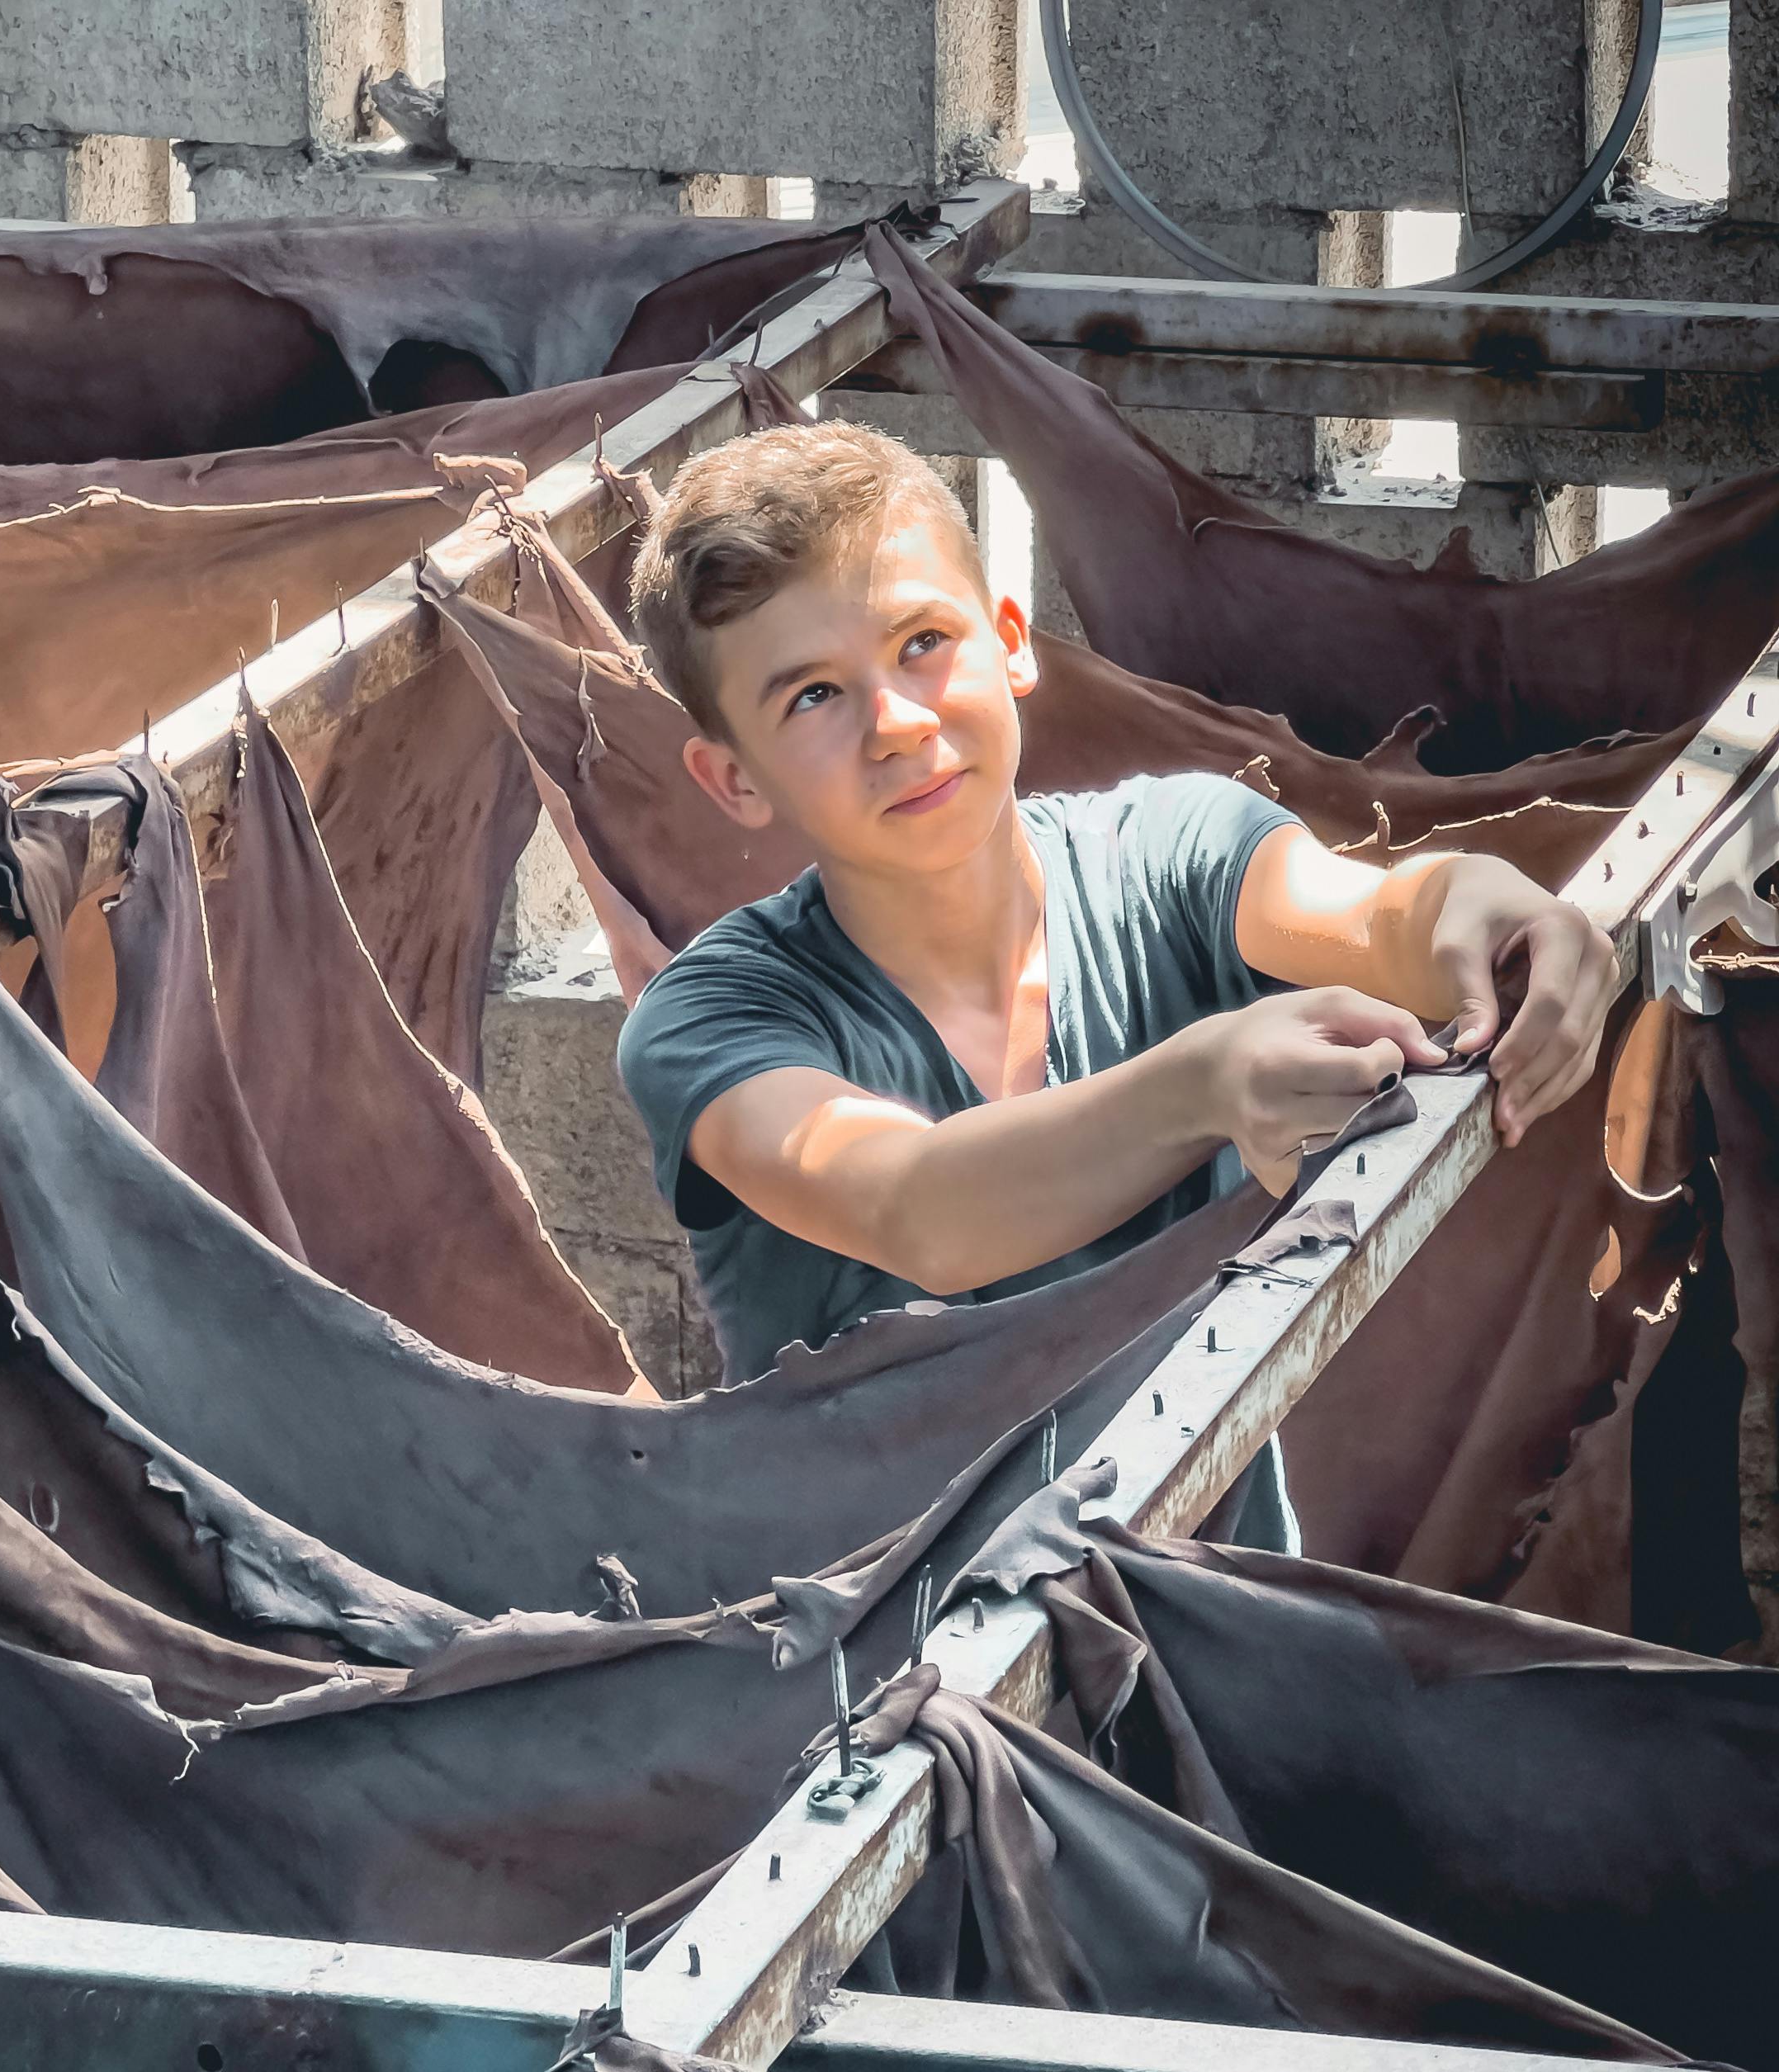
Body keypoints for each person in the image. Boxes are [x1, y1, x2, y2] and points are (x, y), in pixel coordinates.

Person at [613, 423, 1616, 1535]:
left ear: (1010, 643)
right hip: (890, 1671)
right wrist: (1201, 1084)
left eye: (922, 642)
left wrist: (1486, 907)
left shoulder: (1171, 848)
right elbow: (913, 1206)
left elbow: (1367, 912)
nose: (896, 725)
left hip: (1208, 1612)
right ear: (732, 779)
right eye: (811, 696)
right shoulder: (713, 1021)